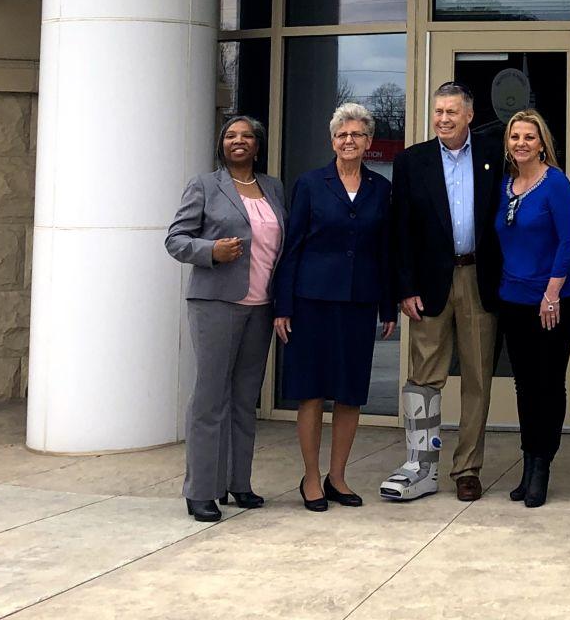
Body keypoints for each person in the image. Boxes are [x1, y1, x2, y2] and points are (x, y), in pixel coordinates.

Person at [382, 82, 503, 503]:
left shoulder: (494, 155)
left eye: (452, 111)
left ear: (469, 115)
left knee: (477, 379)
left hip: (478, 279)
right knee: (423, 379)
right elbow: (400, 230)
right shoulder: (412, 161)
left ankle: (467, 468)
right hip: (429, 285)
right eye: (438, 112)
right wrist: (405, 286)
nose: (444, 119)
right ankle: (422, 465)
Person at [273, 103, 396, 511]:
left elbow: (385, 251)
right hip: (311, 303)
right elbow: (292, 247)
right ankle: (310, 477)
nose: (349, 141)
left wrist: (389, 306)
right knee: (311, 393)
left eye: (357, 134)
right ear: (333, 141)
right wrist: (283, 305)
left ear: (369, 142)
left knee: (349, 394)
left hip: (358, 303)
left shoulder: (381, 188)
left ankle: (337, 476)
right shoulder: (311, 184)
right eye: (343, 135)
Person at [164, 114, 286, 523]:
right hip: (215, 303)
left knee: (244, 399)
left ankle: (239, 482)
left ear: (257, 144)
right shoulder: (204, 185)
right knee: (210, 398)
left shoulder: (273, 188)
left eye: (247, 135)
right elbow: (176, 239)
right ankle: (200, 490)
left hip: (261, 306)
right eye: (231, 135)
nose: (239, 141)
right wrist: (210, 251)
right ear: (222, 144)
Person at [493, 108, 570, 508]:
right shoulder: (505, 185)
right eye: (515, 137)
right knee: (524, 385)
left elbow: (568, 243)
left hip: (553, 301)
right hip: (513, 299)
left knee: (548, 383)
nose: (521, 143)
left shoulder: (556, 184)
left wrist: (551, 294)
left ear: (542, 142)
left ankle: (543, 465)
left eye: (529, 137)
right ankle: (527, 463)